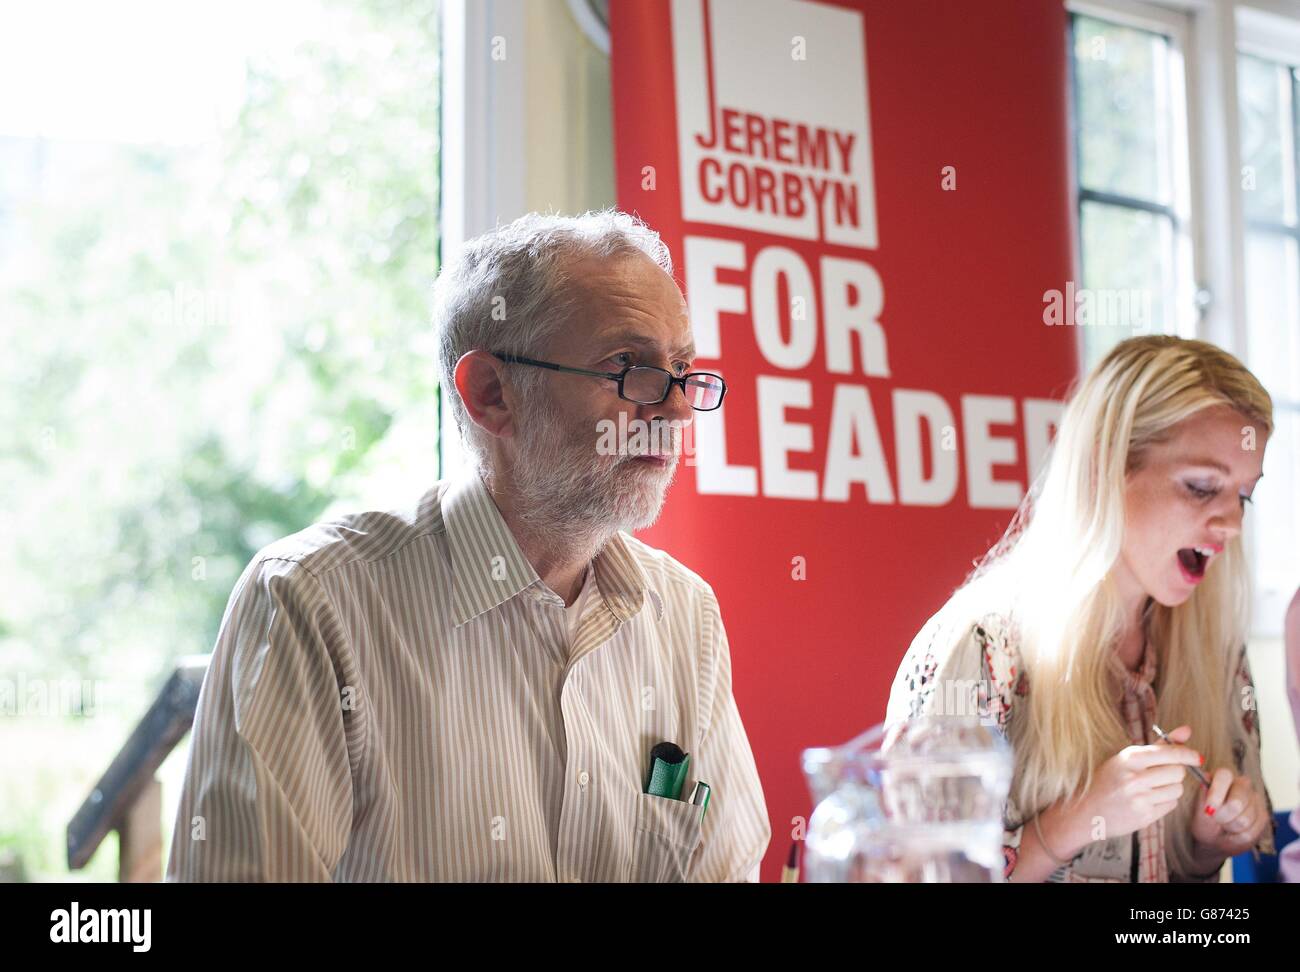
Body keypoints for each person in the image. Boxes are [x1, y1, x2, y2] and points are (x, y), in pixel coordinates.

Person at [167, 209, 770, 881]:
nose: (678, 408)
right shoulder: (310, 600)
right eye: (627, 366)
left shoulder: (687, 616)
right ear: (492, 394)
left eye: (682, 367)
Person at [886, 336, 1277, 882]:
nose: (1232, 523)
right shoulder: (979, 647)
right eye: (1201, 487)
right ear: (1105, 469)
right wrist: (1074, 822)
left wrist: (1210, 845)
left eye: (1244, 495)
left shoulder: (1215, 652)